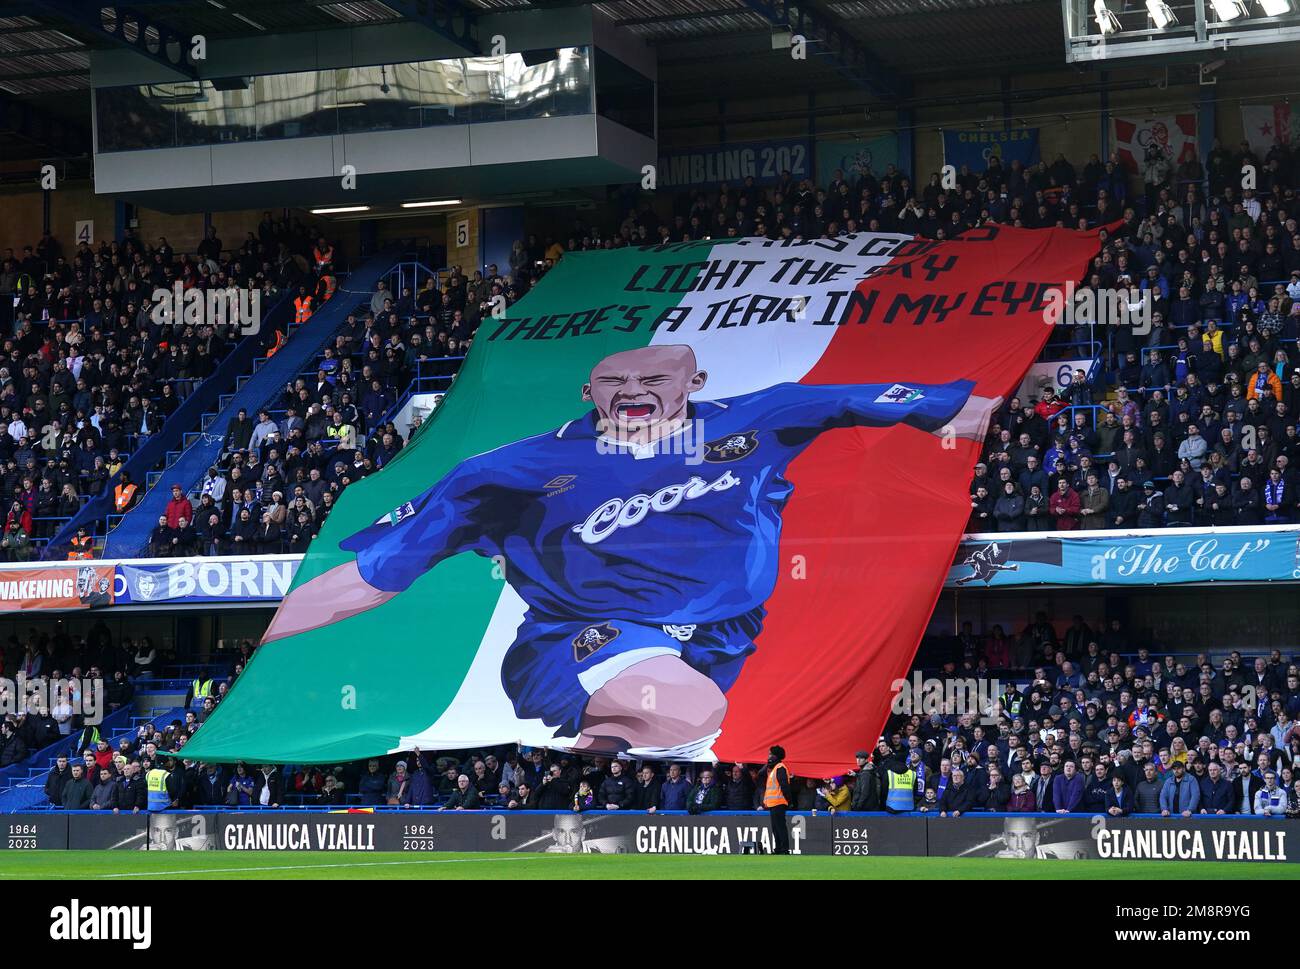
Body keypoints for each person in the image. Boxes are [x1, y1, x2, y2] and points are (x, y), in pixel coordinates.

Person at [263, 345, 996, 756]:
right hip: (579, 635)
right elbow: (367, 578)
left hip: (728, 628)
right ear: (589, 390)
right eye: (614, 381)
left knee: (702, 719)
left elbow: (870, 399)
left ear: (694, 382)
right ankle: (591, 760)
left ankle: (597, 775)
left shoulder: (759, 416)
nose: (633, 391)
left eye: (653, 378)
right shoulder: (503, 472)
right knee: (682, 705)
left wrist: (984, 407)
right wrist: (265, 645)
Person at [762, 745, 793, 853]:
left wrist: (789, 801)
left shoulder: (780, 768)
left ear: (776, 756)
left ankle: (784, 849)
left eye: (770, 754)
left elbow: (784, 786)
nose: (769, 756)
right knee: (776, 828)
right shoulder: (774, 768)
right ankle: (779, 848)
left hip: (779, 802)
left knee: (780, 827)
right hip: (773, 803)